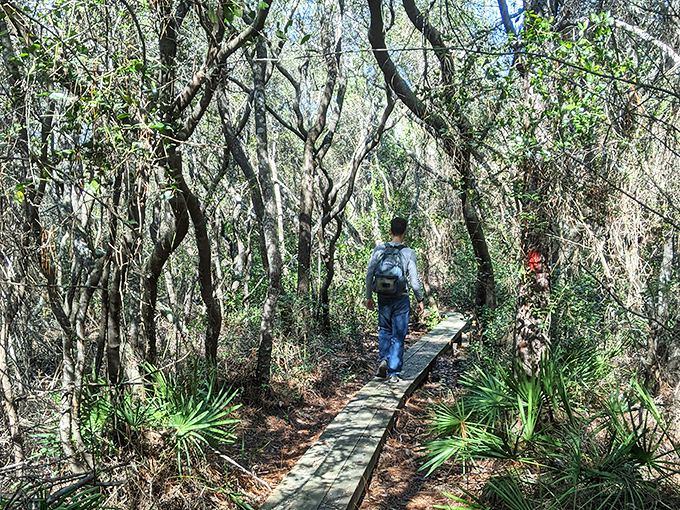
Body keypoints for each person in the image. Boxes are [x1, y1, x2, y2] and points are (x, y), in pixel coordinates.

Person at [365, 216, 424, 382]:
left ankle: (383, 359)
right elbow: (414, 281)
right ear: (405, 232)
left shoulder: (379, 250)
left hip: (382, 297)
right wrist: (420, 299)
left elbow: (370, 274)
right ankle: (394, 373)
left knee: (384, 330)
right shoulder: (408, 253)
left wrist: (369, 296)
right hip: (400, 298)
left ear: (390, 231)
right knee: (398, 335)